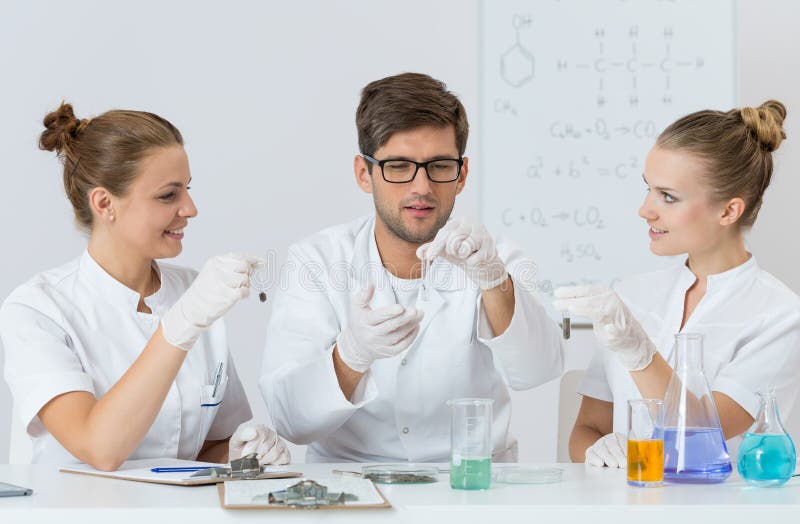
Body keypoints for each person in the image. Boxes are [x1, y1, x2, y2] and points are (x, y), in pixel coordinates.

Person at [259, 73, 564, 462]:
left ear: (462, 173)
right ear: (363, 173)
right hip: (352, 491)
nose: (421, 187)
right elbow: (291, 421)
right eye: (399, 166)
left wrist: (493, 280)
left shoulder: (495, 257)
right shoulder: (316, 261)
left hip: (473, 489)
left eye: (439, 165)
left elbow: (537, 370)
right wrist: (351, 355)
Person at [0, 103, 289, 470]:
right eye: (168, 195)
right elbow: (99, 447)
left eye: (187, 190)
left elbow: (200, 450)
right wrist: (181, 325)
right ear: (105, 203)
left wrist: (238, 452)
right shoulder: (38, 309)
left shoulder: (194, 291)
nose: (190, 208)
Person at [555, 101, 800, 467]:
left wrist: (638, 352)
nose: (645, 210)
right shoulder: (632, 295)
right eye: (648, 189)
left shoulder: (779, 316)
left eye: (667, 197)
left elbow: (704, 432)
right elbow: (589, 427)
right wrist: (596, 454)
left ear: (728, 211)